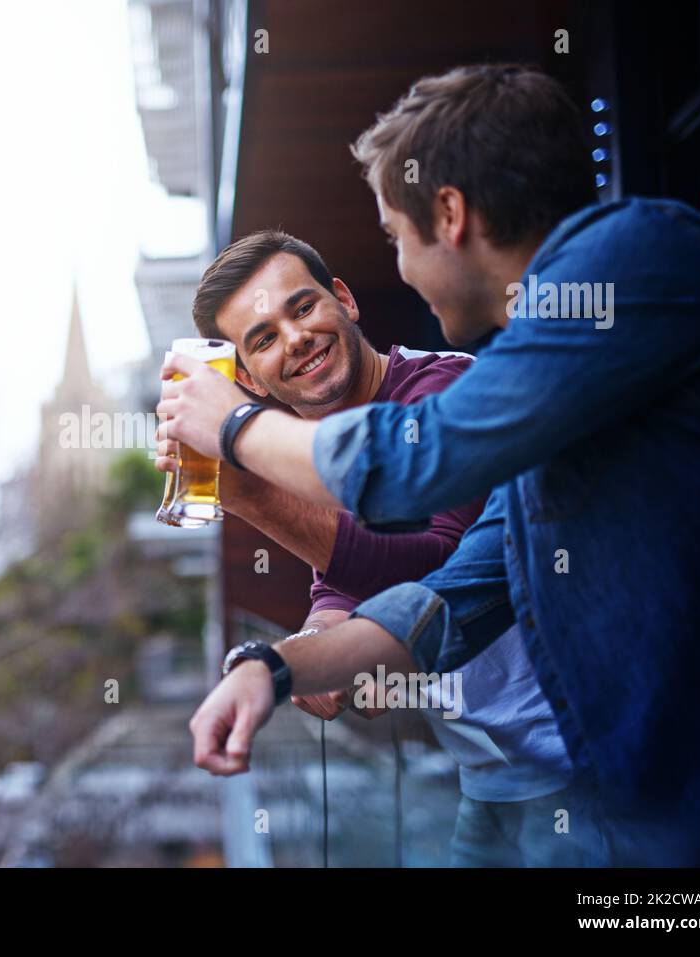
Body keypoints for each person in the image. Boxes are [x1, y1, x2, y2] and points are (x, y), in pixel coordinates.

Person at [159, 64, 700, 866]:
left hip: (678, 794)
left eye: (395, 238)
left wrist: (234, 431)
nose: (402, 266)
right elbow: (458, 590)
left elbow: (417, 468)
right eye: (261, 339)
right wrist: (268, 666)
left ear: (448, 214)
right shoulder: (551, 362)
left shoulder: (629, 265)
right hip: (615, 786)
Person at [168, 227, 603, 865]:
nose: (295, 339)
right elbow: (340, 579)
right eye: (262, 339)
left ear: (343, 299)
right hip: (492, 773)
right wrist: (305, 653)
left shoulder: (445, 389)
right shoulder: (317, 460)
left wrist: (249, 493)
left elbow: (439, 563)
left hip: (586, 760)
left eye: (303, 307)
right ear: (251, 380)